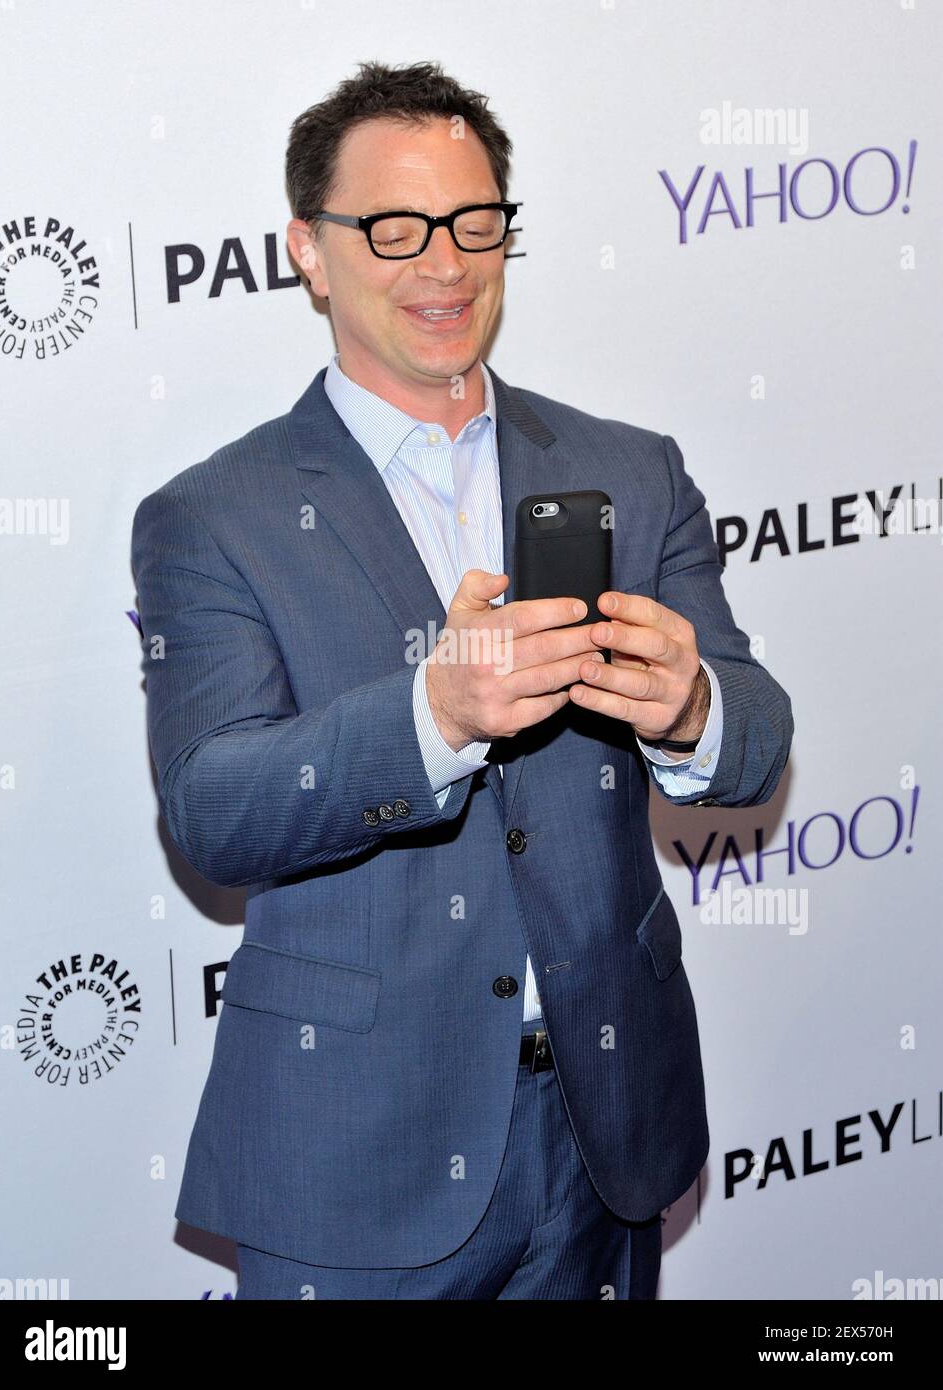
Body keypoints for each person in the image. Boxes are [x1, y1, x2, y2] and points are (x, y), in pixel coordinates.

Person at [131, 60, 793, 1300]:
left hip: (604, 1133)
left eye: (475, 223)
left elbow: (757, 737)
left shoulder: (629, 469)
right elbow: (212, 810)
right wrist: (429, 717)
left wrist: (692, 709)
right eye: (393, 227)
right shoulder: (213, 516)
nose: (444, 263)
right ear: (308, 252)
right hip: (350, 1154)